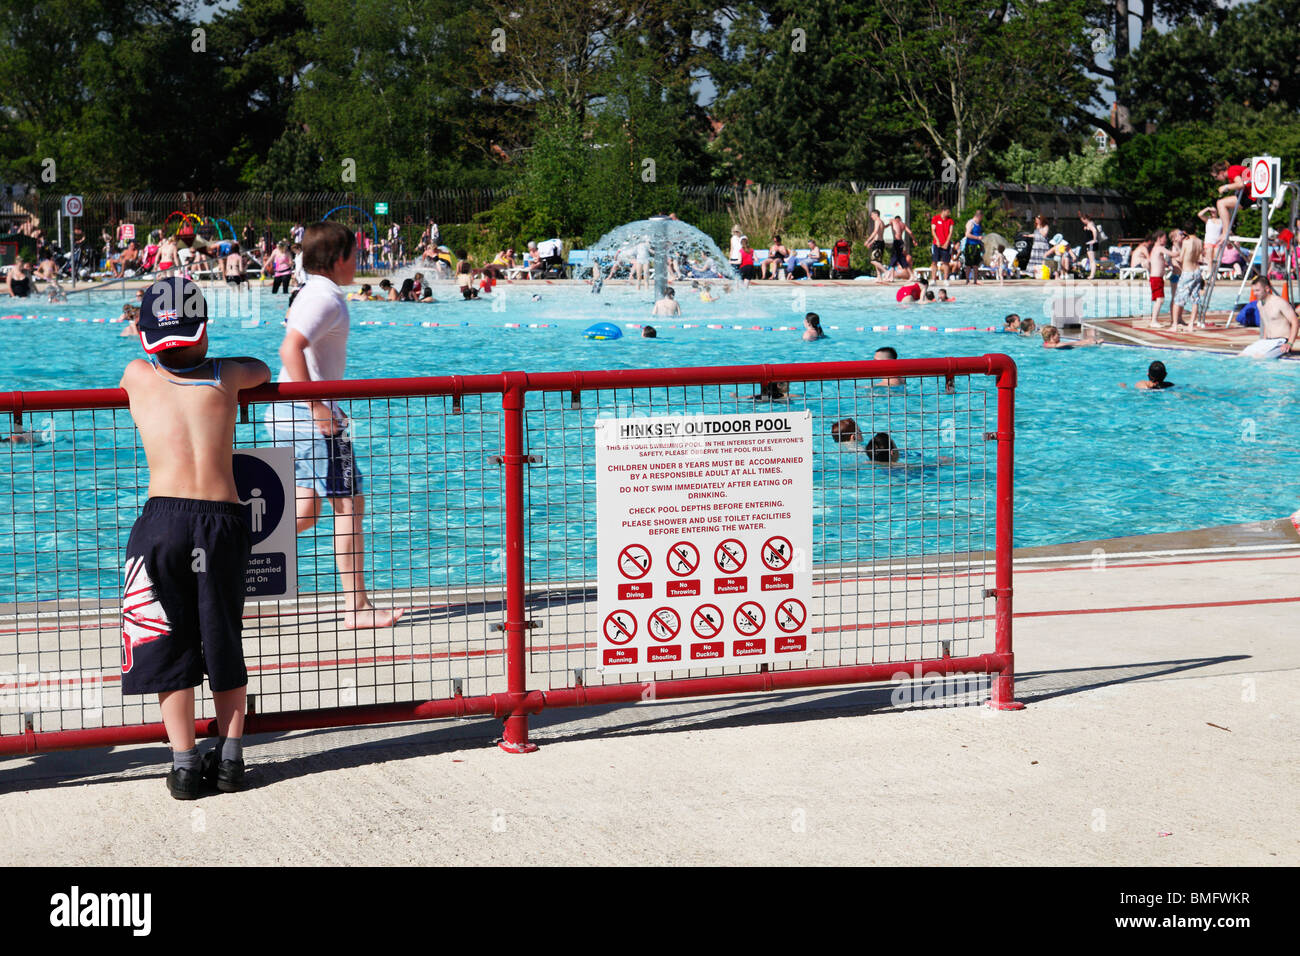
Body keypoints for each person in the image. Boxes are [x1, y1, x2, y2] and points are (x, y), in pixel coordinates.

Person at [119, 276, 271, 798]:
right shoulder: (226, 376)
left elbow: (152, 359)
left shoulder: (136, 375)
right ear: (204, 333)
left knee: (168, 641)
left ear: (145, 338)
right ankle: (229, 761)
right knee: (223, 635)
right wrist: (215, 360)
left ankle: (184, 765)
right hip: (223, 522)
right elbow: (264, 368)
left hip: (162, 522)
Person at [266, 222, 407, 630]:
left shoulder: (314, 293)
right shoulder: (324, 298)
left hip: (296, 416)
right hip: (310, 418)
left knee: (306, 511)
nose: (359, 262)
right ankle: (357, 608)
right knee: (348, 504)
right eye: (356, 254)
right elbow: (290, 347)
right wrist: (317, 406)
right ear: (340, 258)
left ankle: (235, 553)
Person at [1239, 277, 1298, 358]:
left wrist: (1290, 343)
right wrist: (1263, 341)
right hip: (1268, 341)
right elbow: (1268, 323)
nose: (1255, 293)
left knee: (1260, 358)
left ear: (1267, 289)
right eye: (1253, 291)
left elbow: (1295, 321)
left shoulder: (1279, 302)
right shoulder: (1259, 304)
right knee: (1241, 356)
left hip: (1281, 341)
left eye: (1257, 290)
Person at [1170, 220, 1205, 332]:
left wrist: (1175, 258)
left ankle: (1174, 325)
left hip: (1187, 272)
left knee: (1178, 299)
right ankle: (1191, 325)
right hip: (1197, 272)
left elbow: (1181, 258)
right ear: (1196, 229)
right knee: (1195, 299)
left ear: (1185, 231)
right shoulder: (1200, 241)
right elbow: (1199, 257)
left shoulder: (1186, 242)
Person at [1211, 160, 1251, 233]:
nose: (1216, 179)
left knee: (1220, 203)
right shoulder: (1232, 171)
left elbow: (1240, 184)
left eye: (1216, 177)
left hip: (1251, 196)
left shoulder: (1231, 171)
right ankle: (1229, 229)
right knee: (1226, 205)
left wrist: (1226, 187)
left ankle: (1226, 231)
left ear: (1221, 173)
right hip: (1250, 194)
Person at [1148, 231, 1169, 327]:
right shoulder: (1159, 248)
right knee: (1160, 300)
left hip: (1156, 278)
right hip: (1156, 278)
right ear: (1159, 238)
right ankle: (1154, 321)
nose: (1166, 240)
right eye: (1165, 237)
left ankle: (1153, 319)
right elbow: (1172, 254)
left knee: (1158, 300)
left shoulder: (1154, 249)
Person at [930, 207, 955, 281]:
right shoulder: (935, 218)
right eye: (947, 212)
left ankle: (945, 279)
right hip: (936, 244)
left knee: (946, 262)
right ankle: (933, 279)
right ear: (943, 211)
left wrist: (947, 242)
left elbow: (951, 232)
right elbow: (933, 230)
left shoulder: (950, 220)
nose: (948, 214)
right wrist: (937, 240)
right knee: (934, 261)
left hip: (946, 244)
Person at [962, 211, 985, 283]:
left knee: (976, 264)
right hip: (970, 245)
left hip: (977, 245)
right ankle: (967, 280)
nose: (981, 220)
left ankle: (975, 280)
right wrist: (977, 238)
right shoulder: (971, 223)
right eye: (980, 218)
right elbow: (967, 234)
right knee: (968, 264)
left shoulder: (978, 224)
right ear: (978, 216)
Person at [1079, 211, 1100, 280]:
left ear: (1085, 219)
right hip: (1090, 244)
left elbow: (1094, 231)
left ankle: (1092, 275)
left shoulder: (1090, 224)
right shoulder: (1090, 224)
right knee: (1091, 259)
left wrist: (1094, 240)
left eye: (1083, 220)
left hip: (1091, 244)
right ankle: (1092, 274)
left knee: (1092, 260)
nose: (1082, 222)